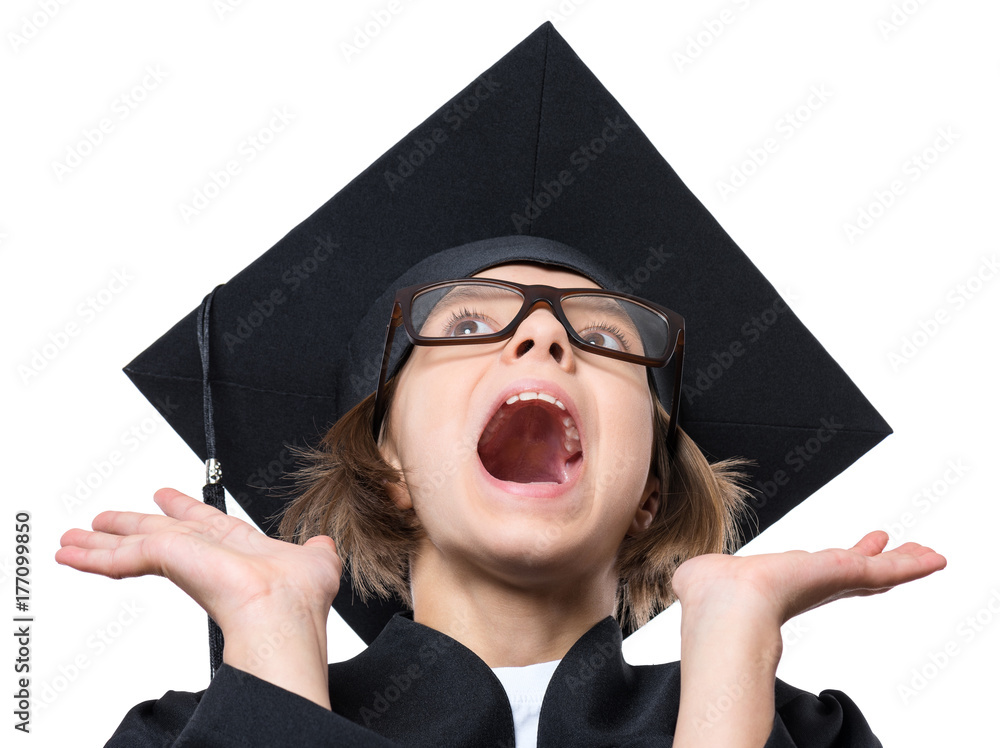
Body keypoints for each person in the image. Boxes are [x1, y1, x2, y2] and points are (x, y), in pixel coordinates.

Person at [57, 256, 946, 747]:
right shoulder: (188, 738)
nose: (544, 334)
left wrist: (730, 671)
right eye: (474, 323)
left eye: (598, 335)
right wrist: (271, 648)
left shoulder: (804, 737)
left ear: (649, 491)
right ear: (389, 463)